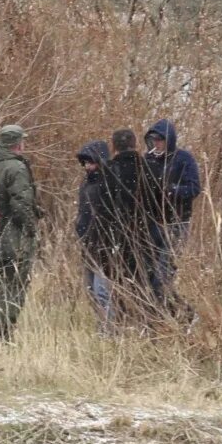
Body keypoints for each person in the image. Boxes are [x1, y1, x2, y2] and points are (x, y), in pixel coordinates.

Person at [0, 124, 41, 341]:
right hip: (10, 236)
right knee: (12, 286)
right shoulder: (15, 168)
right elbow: (22, 205)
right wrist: (32, 230)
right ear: (18, 144)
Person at [142, 118, 201, 317]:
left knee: (163, 276)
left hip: (177, 223)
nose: (156, 144)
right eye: (153, 140)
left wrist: (170, 190)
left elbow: (194, 188)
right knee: (149, 277)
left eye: (160, 140)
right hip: (153, 223)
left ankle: (187, 314)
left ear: (169, 140)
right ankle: (163, 318)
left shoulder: (184, 159)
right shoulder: (147, 160)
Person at [101, 129, 157, 319]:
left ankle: (124, 320)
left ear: (114, 146)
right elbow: (157, 201)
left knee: (118, 280)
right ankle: (149, 319)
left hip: (117, 233)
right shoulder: (147, 167)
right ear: (135, 144)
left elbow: (102, 204)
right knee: (146, 279)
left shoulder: (108, 169)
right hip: (145, 232)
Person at [74, 140, 114, 329]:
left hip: (105, 244)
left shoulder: (110, 183)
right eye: (85, 163)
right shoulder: (85, 183)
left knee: (102, 290)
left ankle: (110, 330)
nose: (87, 166)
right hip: (87, 243)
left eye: (91, 162)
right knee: (90, 290)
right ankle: (103, 326)